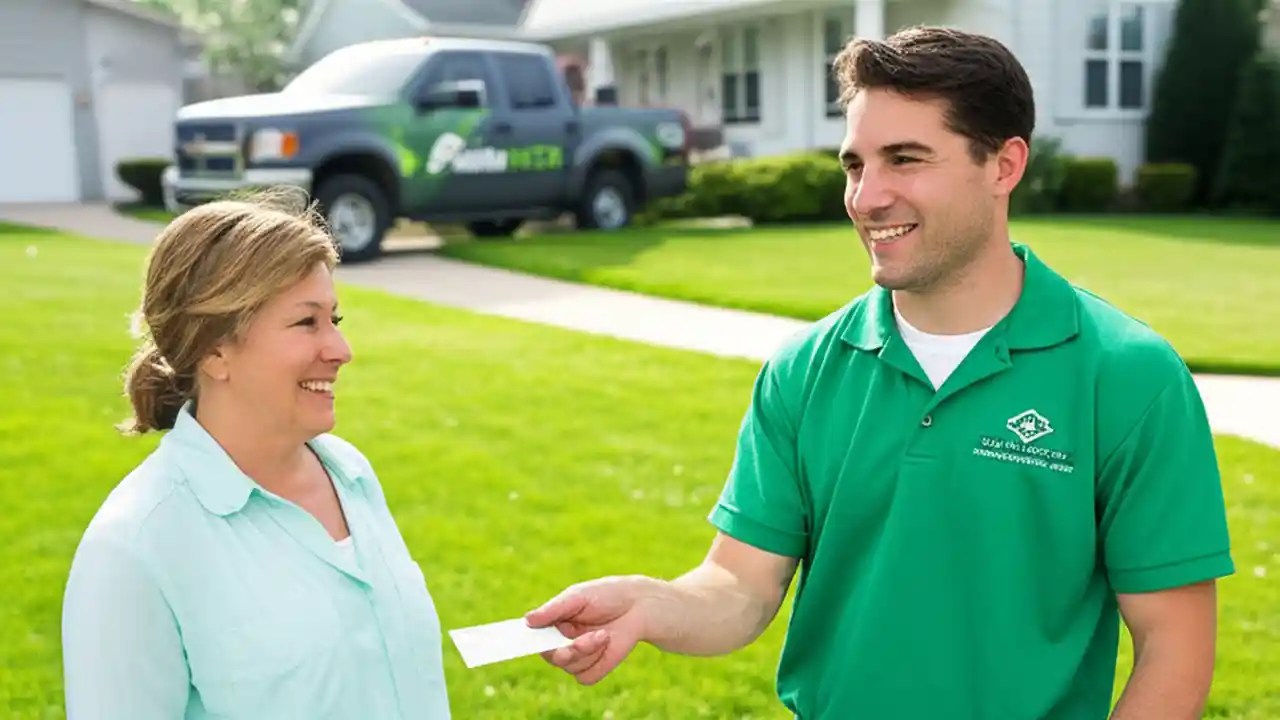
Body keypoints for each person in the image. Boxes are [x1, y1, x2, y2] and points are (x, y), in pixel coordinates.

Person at [525, 25, 1234, 720]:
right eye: (855, 164)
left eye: (905, 159)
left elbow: (1174, 647)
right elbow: (740, 587)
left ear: (1004, 166)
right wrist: (651, 605)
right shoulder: (804, 369)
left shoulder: (1127, 376)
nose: (866, 198)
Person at [61, 192, 451, 719]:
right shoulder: (135, 548)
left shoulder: (349, 473)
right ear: (214, 349)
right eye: (306, 323)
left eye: (335, 318)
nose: (341, 349)